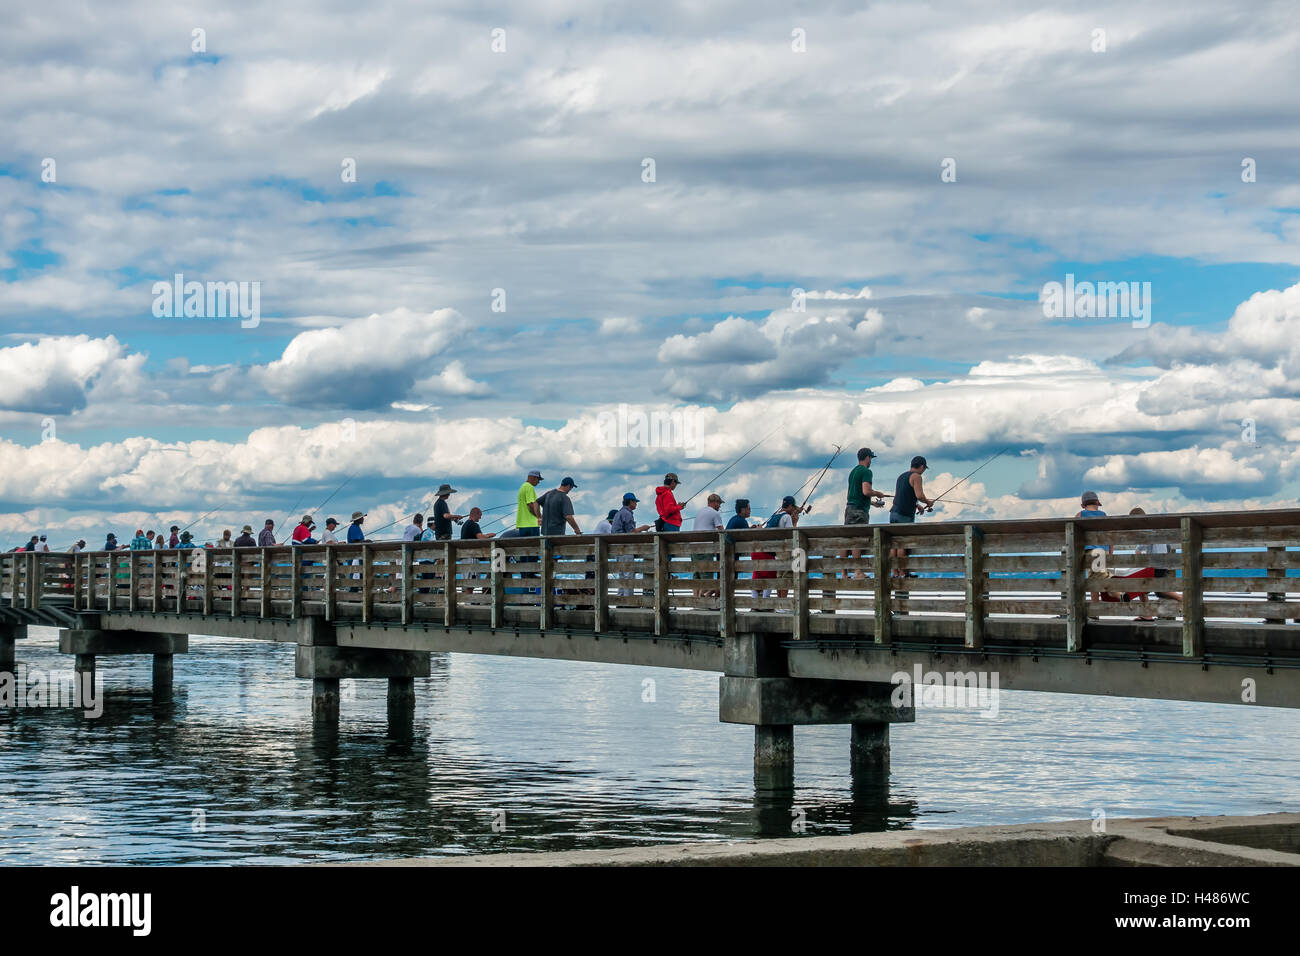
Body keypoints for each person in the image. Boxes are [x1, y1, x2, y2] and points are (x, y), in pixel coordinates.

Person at [1126, 506, 1182, 619]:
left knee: (1140, 587)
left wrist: (1137, 562)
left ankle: (1148, 614)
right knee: (1159, 591)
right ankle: (1174, 606)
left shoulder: (1146, 530)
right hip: (1163, 564)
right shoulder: (1156, 528)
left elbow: (1139, 548)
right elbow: (1167, 546)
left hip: (1155, 565)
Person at [889, 456, 934, 581]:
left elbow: (902, 496)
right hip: (905, 515)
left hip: (894, 513)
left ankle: (895, 572)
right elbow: (919, 495)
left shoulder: (901, 476)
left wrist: (917, 505)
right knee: (903, 544)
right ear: (921, 466)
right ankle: (903, 572)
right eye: (924, 468)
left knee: (894, 544)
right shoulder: (916, 477)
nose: (924, 471)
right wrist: (928, 502)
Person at [843, 447, 885, 580]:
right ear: (867, 457)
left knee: (847, 540)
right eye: (871, 458)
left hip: (849, 509)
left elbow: (855, 494)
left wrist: (872, 503)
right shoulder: (867, 471)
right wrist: (878, 493)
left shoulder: (853, 471)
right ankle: (857, 571)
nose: (871, 460)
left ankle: (844, 574)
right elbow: (866, 491)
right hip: (859, 512)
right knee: (857, 540)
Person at [753, 496, 800, 601]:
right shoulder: (787, 517)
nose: (793, 510)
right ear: (791, 506)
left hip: (776, 550)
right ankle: (782, 603)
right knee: (787, 576)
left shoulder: (776, 515)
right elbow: (791, 534)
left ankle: (779, 603)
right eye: (793, 507)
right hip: (785, 549)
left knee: (779, 576)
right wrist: (795, 522)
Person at [612, 493, 651, 597]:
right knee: (629, 575)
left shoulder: (619, 513)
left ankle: (620, 599)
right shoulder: (627, 513)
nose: (636, 504)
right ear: (630, 502)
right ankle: (628, 601)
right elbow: (631, 531)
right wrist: (643, 528)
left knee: (621, 575)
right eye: (635, 502)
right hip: (625, 547)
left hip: (617, 548)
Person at [1075, 491, 1109, 609]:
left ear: (1083, 505)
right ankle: (1097, 609)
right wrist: (1110, 550)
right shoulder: (1103, 515)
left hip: (1091, 552)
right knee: (1099, 579)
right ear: (1097, 503)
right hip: (1103, 551)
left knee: (1095, 580)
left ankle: (1096, 609)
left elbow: (1074, 535)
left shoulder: (1080, 515)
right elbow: (1109, 535)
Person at [692, 493, 725, 599]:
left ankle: (696, 602)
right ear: (715, 502)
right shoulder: (715, 513)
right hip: (705, 547)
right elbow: (721, 530)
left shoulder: (700, 511)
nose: (720, 506)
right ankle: (703, 602)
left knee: (697, 576)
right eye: (719, 503)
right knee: (707, 576)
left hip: (693, 546)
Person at [515, 470, 544, 537]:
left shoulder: (523, 487)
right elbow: (531, 505)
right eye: (538, 479)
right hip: (531, 525)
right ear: (534, 478)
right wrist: (540, 517)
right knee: (535, 546)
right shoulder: (529, 487)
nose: (538, 482)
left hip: (522, 525)